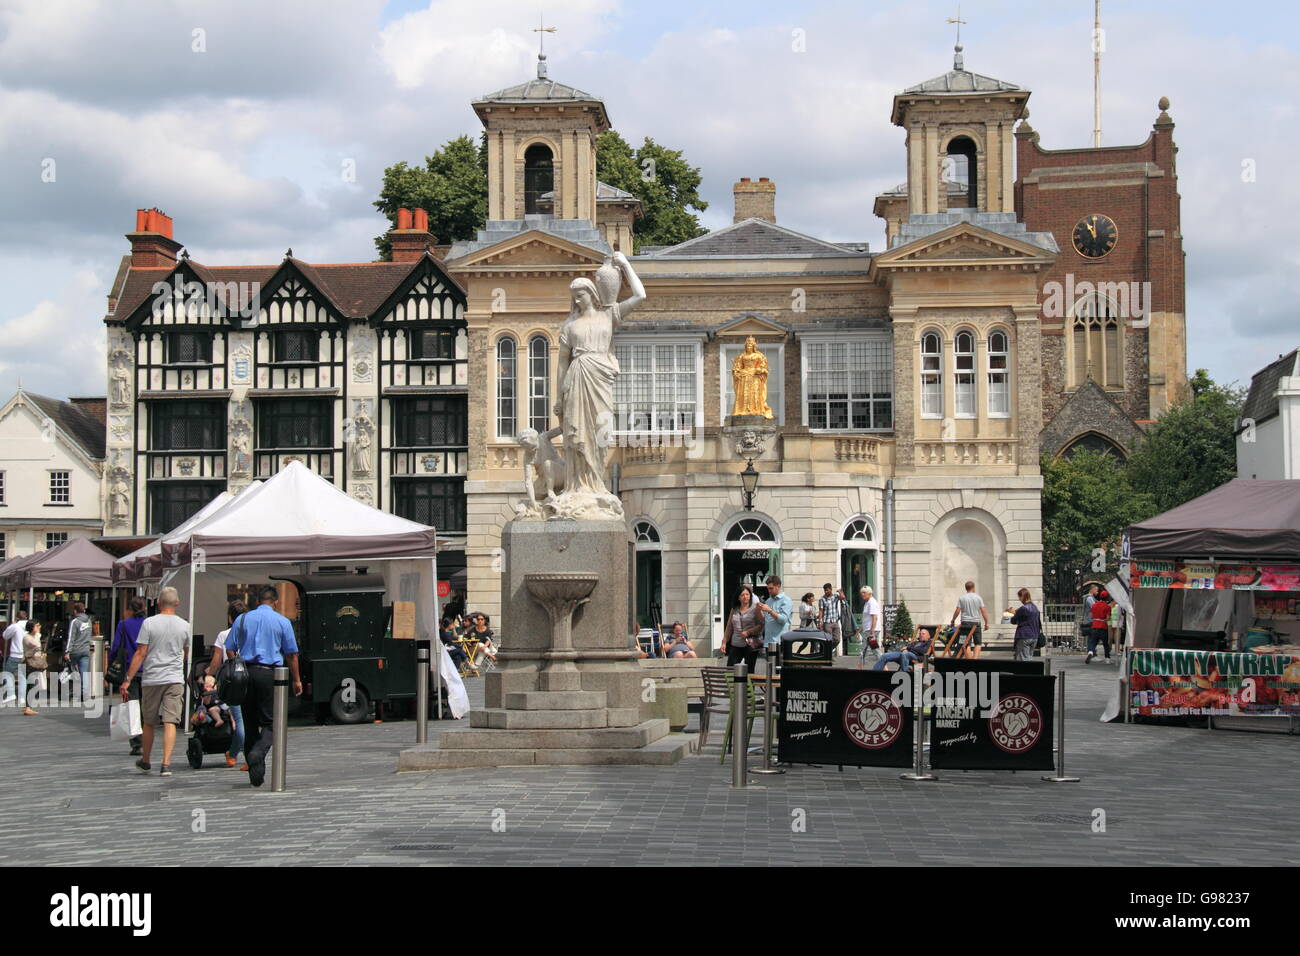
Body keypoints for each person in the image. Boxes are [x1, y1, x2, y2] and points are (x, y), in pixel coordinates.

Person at [224, 585, 302, 788]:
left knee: (249, 723)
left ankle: (255, 771)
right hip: (270, 675)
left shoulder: (242, 619)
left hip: (246, 674)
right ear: (275, 602)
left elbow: (230, 647)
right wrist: (297, 680)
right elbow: (291, 654)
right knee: (272, 722)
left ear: (257, 601)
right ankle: (258, 753)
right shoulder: (282, 621)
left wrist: (237, 667)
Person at [120, 587, 189, 777]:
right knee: (170, 721)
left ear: (158, 603)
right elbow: (185, 653)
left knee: (149, 722)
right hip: (174, 678)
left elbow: (141, 652)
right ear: (177, 603)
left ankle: (146, 760)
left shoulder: (149, 623)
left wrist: (128, 679)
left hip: (152, 678)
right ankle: (166, 764)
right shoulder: (185, 625)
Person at [206, 600, 248, 770]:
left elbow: (216, 662)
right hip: (251, 680)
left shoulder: (224, 635)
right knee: (247, 720)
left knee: (239, 722)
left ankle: (233, 753)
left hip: (233, 684)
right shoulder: (251, 633)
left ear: (230, 618)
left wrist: (208, 674)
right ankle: (245, 754)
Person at [111, 597, 148, 755]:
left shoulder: (124, 624)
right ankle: (147, 739)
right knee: (147, 706)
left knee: (132, 706)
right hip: (148, 668)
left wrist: (113, 663)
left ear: (130, 609)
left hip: (129, 669)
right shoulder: (149, 623)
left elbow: (115, 647)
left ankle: (137, 743)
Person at [724, 585, 764, 670]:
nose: (745, 597)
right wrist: (724, 642)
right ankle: (732, 684)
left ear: (750, 596)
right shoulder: (734, 609)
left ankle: (749, 683)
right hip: (736, 643)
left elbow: (761, 625)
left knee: (749, 671)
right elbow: (729, 627)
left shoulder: (755, 608)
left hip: (750, 644)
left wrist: (748, 632)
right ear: (738, 597)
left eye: (747, 594)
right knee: (731, 669)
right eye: (742, 595)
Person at [3, 610, 34, 714]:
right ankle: (22, 699)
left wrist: (12, 624)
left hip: (15, 655)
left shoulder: (15, 626)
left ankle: (11, 693)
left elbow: (5, 636)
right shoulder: (30, 626)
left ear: (17, 618)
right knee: (23, 677)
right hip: (25, 655)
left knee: (7, 674)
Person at [949, 581, 989, 659]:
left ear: (966, 588)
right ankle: (975, 660)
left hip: (965, 623)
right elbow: (983, 611)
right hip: (976, 623)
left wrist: (953, 620)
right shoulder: (978, 597)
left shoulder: (962, 598)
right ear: (973, 588)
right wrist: (986, 623)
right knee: (978, 643)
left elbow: (957, 610)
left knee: (965, 643)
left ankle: (969, 661)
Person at [63, 602, 93, 706]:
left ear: (75, 611)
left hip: (75, 651)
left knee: (73, 672)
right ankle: (85, 695)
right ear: (84, 610)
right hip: (85, 650)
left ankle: (73, 693)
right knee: (84, 673)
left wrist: (67, 651)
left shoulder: (75, 621)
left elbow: (71, 637)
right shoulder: (89, 621)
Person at [756, 575, 792, 649]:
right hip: (768, 642)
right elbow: (764, 620)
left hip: (780, 642)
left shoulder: (786, 600)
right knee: (770, 661)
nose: (769, 591)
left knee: (779, 661)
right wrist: (759, 610)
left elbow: (783, 620)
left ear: (778, 586)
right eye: (768, 588)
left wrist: (769, 610)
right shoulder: (769, 601)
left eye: (771, 588)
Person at [1010, 588, 1042, 662]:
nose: (1019, 599)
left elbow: (1013, 620)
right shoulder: (1035, 608)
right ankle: (1029, 673)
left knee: (1022, 659)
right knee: (1029, 658)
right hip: (1034, 636)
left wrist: (1012, 614)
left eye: (1019, 597)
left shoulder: (1023, 608)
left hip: (1024, 636)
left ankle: (1023, 673)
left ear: (1023, 596)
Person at [816, 583, 849, 650]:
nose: (826, 592)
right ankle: (828, 654)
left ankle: (827, 651)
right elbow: (821, 611)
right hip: (827, 622)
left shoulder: (835, 597)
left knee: (837, 639)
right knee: (829, 639)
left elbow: (843, 597)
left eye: (827, 590)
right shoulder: (822, 599)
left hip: (835, 621)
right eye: (825, 590)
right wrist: (820, 622)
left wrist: (840, 591)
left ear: (831, 590)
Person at [857, 586, 882, 667]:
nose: (862, 594)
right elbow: (867, 620)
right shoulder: (867, 603)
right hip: (868, 630)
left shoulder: (872, 603)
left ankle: (885, 668)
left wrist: (872, 631)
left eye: (864, 593)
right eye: (861, 593)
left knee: (873, 650)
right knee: (869, 650)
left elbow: (874, 618)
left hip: (870, 632)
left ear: (870, 593)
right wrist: (861, 629)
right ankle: (860, 668)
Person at [1086, 589, 1112, 664]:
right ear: (1107, 598)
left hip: (1094, 625)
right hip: (1103, 626)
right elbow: (1107, 618)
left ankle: (1090, 652)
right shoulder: (1107, 607)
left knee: (1093, 641)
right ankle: (1107, 658)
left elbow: (1091, 616)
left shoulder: (1094, 605)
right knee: (1105, 643)